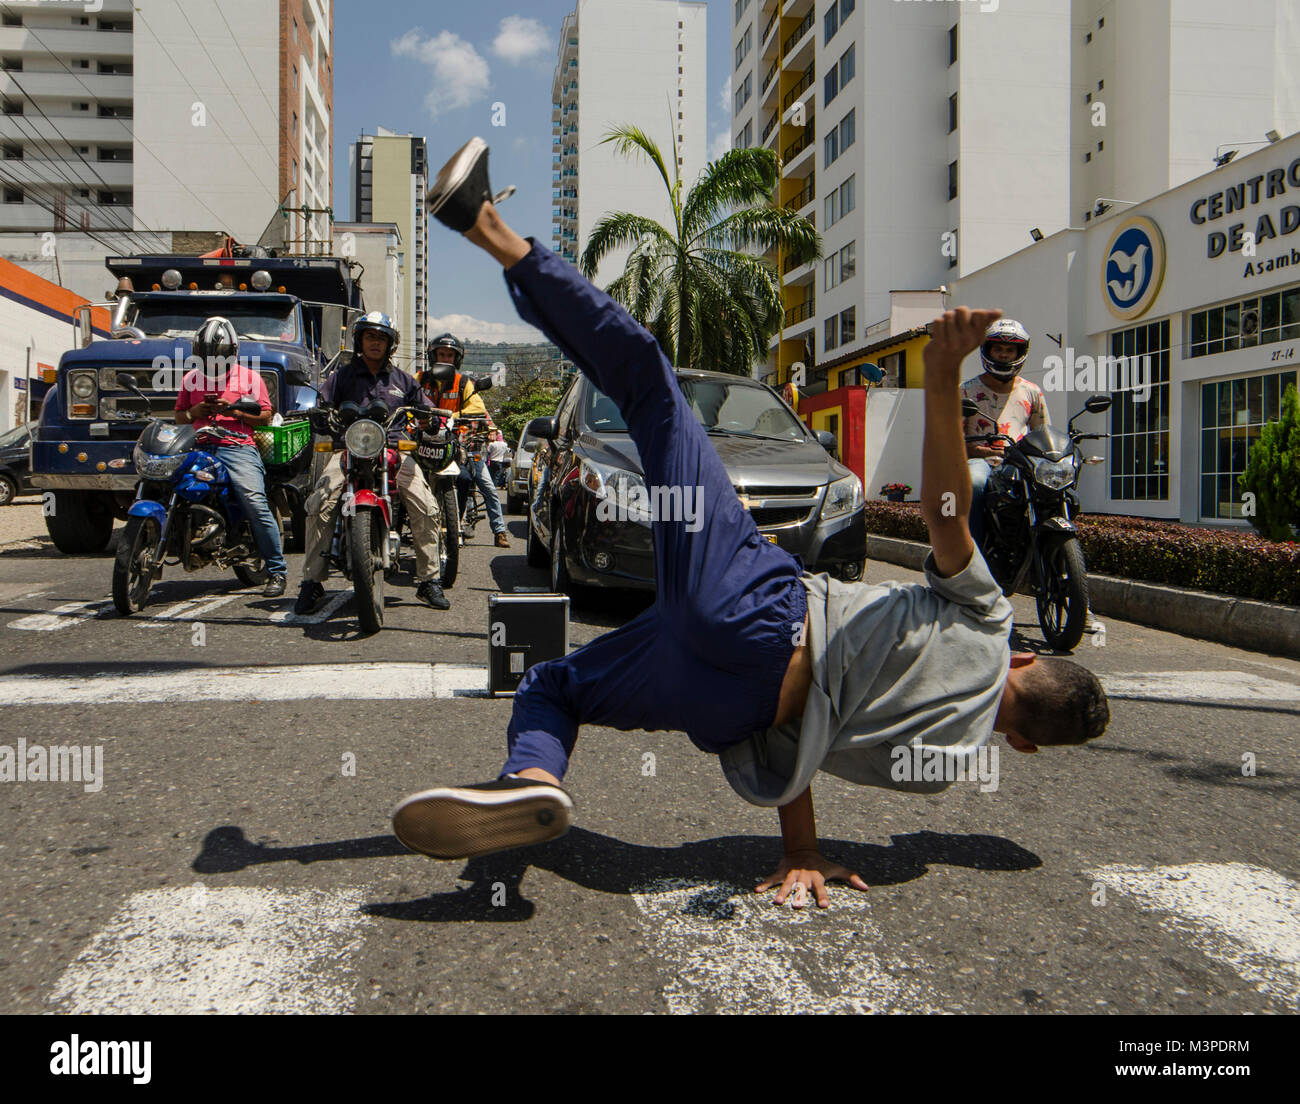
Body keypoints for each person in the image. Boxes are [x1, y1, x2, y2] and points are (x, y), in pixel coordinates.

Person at [390, 138, 1111, 906]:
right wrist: (802, 850)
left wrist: (939, 380)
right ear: (1025, 742)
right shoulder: (939, 767)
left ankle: (485, 223)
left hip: (759, 611)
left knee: (649, 386)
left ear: (1028, 662)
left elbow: (943, 510)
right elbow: (807, 737)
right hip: (732, 703)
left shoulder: (991, 623)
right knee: (555, 684)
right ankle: (528, 786)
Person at [294, 311, 450, 614]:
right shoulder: (341, 376)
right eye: (370, 336)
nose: (375, 343)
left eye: (381, 338)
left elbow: (426, 409)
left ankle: (429, 580)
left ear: (390, 344)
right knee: (318, 504)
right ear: (360, 340)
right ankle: (312, 581)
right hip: (347, 451)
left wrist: (430, 420)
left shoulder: (403, 380)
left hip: (393, 450)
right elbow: (323, 404)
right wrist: (320, 414)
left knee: (426, 505)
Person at [174, 316, 287, 598]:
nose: (212, 361)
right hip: (198, 446)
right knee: (167, 487)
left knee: (254, 500)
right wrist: (194, 413)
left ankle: (277, 570)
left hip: (238, 447)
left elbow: (264, 416)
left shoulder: (250, 378)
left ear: (232, 352)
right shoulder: (191, 379)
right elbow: (178, 416)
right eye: (207, 356)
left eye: (218, 356)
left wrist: (234, 410)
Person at [959, 319, 1047, 550]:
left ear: (1020, 352)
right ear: (988, 351)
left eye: (1010, 350)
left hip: (1018, 463)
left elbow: (1043, 434)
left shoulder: (1032, 392)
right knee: (975, 483)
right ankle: (972, 553)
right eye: (998, 349)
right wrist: (981, 450)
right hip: (980, 462)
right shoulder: (966, 390)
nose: (1004, 354)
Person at [420, 333, 510, 549]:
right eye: (441, 354)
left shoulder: (464, 382)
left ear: (456, 359)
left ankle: (497, 531)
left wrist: (450, 416)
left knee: (483, 485)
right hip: (423, 441)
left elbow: (478, 408)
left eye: (449, 355)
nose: (445, 358)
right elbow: (404, 399)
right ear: (433, 356)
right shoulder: (420, 379)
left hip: (458, 443)